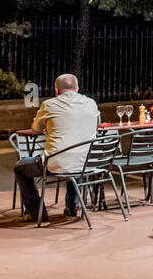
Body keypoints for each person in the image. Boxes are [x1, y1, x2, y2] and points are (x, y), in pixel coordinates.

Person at [13, 74, 101, 220]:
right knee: (76, 158)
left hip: (55, 163)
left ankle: (36, 213)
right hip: (86, 163)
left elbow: (35, 129)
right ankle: (72, 207)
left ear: (56, 90)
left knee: (19, 168)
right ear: (77, 89)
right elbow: (96, 125)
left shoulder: (49, 105)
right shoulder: (91, 103)